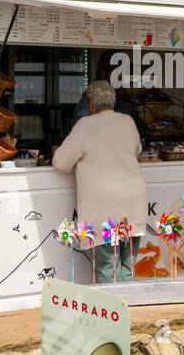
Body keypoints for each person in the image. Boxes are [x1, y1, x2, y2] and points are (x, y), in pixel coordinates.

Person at [53, 80, 148, 283]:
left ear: (91, 105)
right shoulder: (127, 121)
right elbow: (137, 149)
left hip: (105, 207)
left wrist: (55, 150)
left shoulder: (84, 125)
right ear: (112, 102)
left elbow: (61, 163)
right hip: (132, 202)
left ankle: (114, 312)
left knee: (107, 268)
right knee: (127, 266)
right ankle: (129, 310)